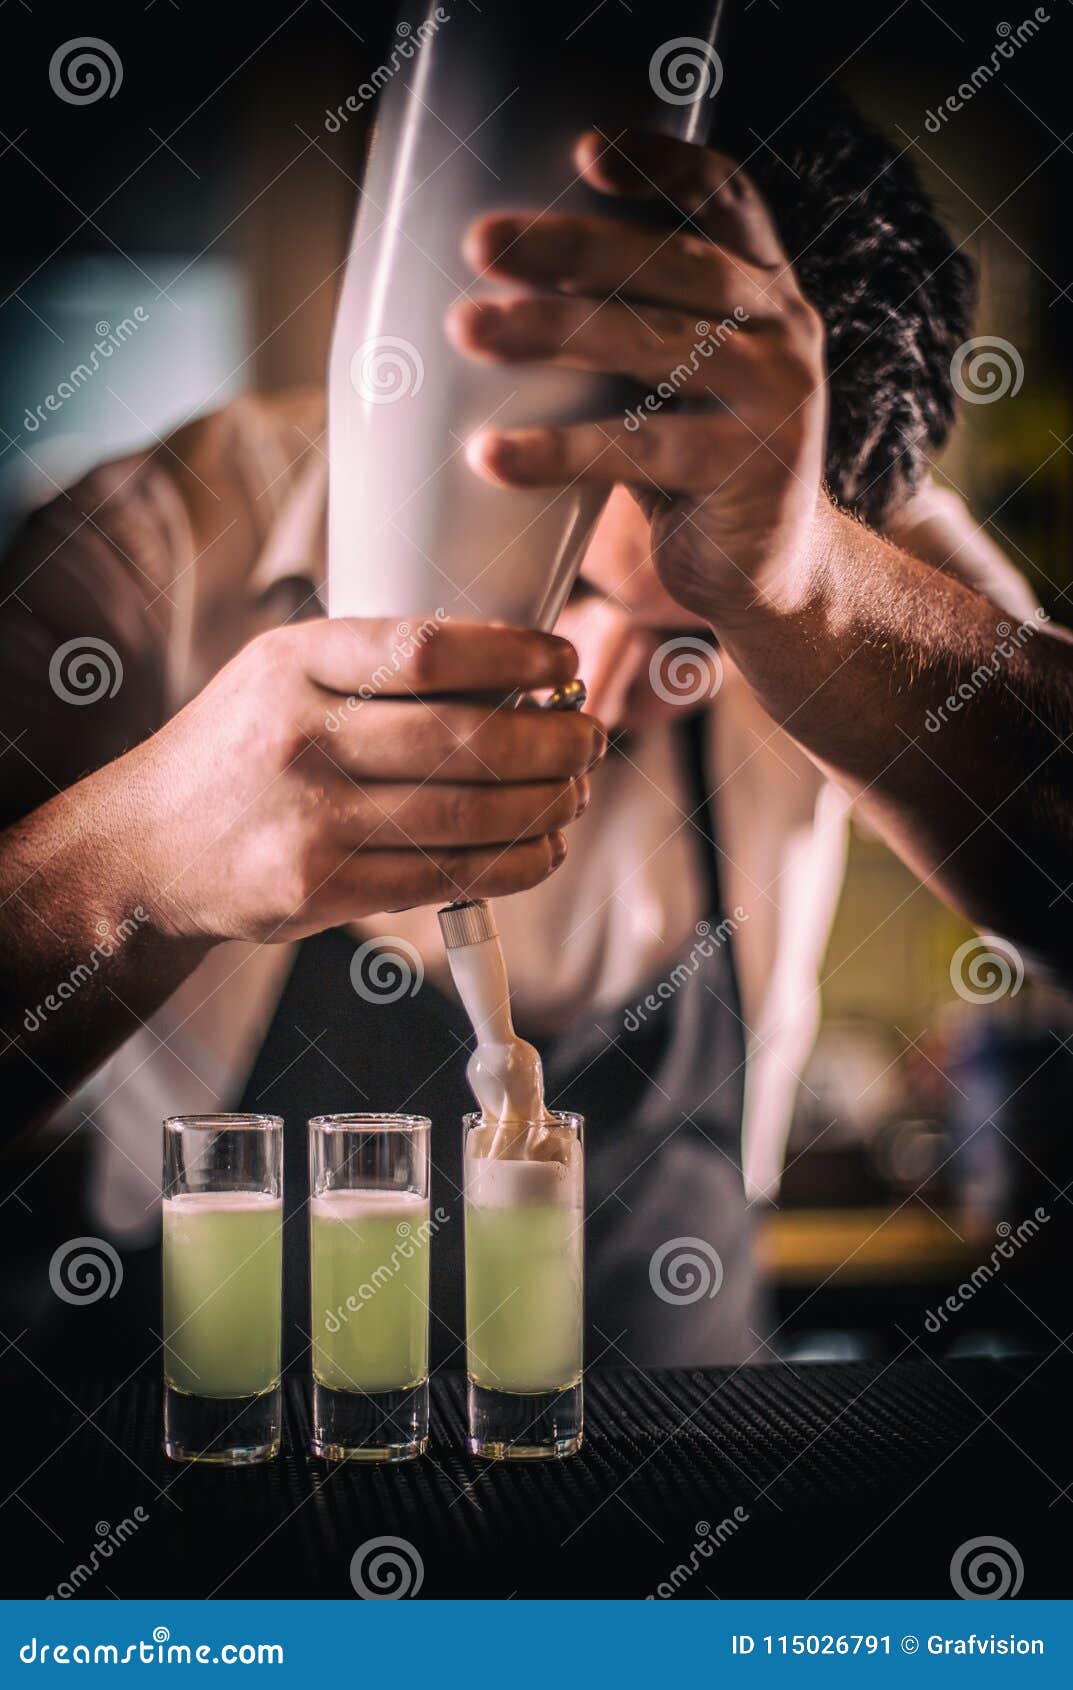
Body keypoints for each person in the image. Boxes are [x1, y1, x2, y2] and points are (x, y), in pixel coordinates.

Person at [2, 89, 1070, 1369]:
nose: (592, 693)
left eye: (698, 641)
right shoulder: (159, 538)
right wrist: (137, 869)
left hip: (700, 1501)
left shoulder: (837, 498)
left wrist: (809, 585)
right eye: (564, 587)